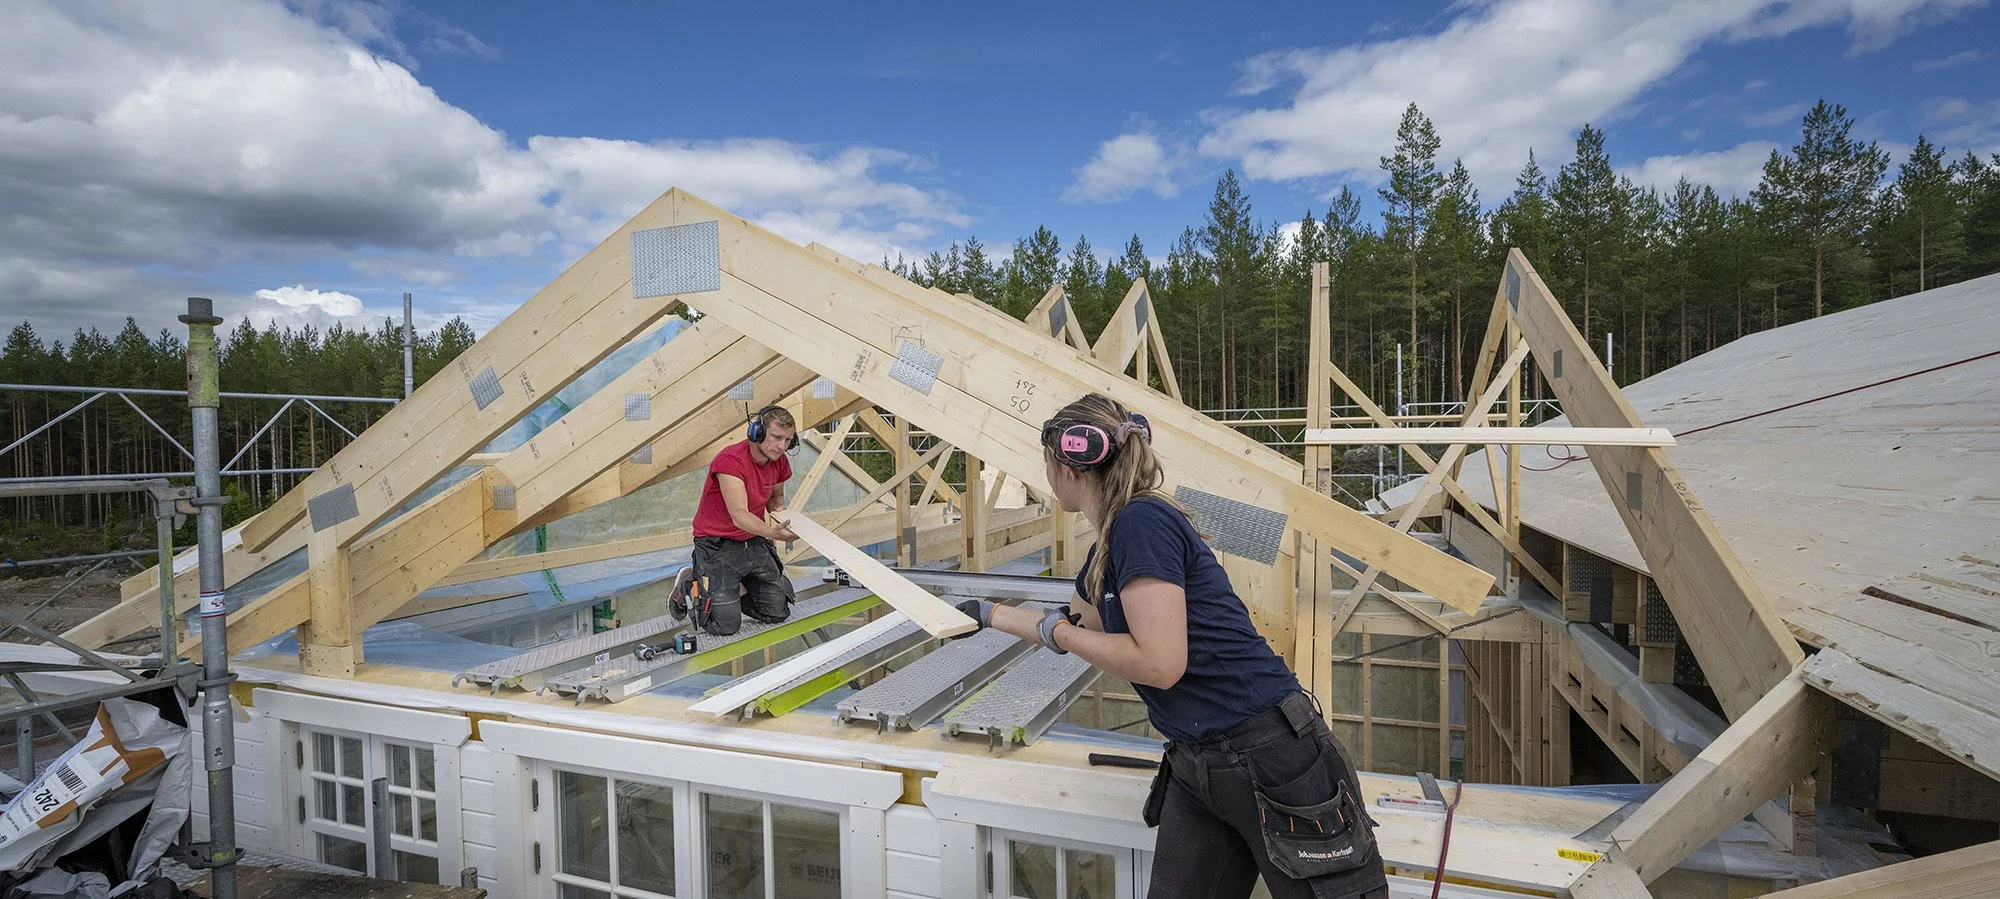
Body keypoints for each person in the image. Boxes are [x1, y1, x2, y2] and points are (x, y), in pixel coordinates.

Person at [957, 393, 1388, 899]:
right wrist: (988, 615)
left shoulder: (1143, 522)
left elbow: (1159, 664)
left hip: (1271, 756)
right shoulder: (1110, 544)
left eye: (1046, 461)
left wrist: (1061, 633)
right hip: (1198, 763)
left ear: (1067, 465)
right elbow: (1071, 621)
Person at [687, 404, 800, 635]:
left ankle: (730, 590)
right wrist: (774, 533)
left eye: (788, 440)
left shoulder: (779, 461)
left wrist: (785, 516)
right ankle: (691, 584)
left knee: (777, 612)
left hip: (753, 541)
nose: (782, 447)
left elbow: (776, 498)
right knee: (724, 625)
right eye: (776, 437)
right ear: (756, 432)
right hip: (718, 544)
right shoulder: (730, 461)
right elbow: (739, 515)